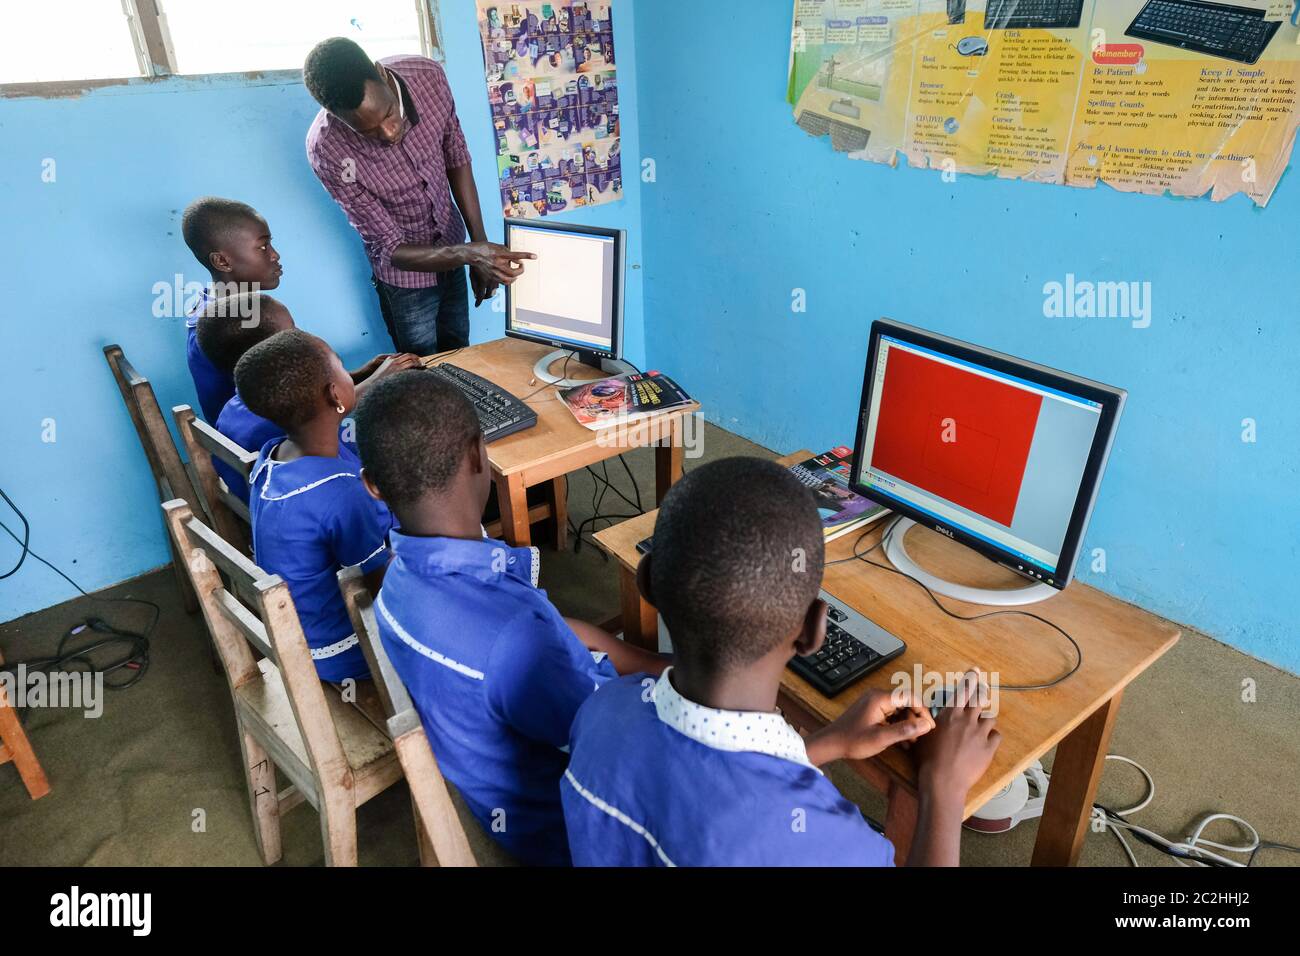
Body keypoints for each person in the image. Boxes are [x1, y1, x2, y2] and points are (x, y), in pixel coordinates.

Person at [561, 457, 1002, 866]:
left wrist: (829, 743)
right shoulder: (823, 842)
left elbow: (706, 783)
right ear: (813, 632)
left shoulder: (600, 710)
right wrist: (944, 790)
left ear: (649, 583)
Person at [353, 371, 667, 865]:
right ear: (480, 454)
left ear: (373, 484)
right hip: (566, 826)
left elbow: (554, 633)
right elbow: (612, 740)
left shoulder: (397, 579)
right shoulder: (516, 637)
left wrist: (648, 661)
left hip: (493, 789)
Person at [303, 37, 535, 355]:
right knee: (420, 368)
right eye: (367, 131)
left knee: (459, 354)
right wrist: (473, 253)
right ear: (336, 117)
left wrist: (480, 249)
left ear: (381, 74)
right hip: (404, 278)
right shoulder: (327, 150)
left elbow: (456, 154)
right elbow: (391, 248)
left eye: (388, 113)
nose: (388, 132)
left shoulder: (427, 76)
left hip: (454, 245)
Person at [235, 329, 397, 682]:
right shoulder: (343, 493)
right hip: (344, 649)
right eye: (340, 364)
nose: (346, 370)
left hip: (300, 633)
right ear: (335, 394)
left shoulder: (272, 456)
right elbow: (379, 586)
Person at [179, 197, 283, 421]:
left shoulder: (214, 303)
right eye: (263, 246)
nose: (275, 255)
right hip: (264, 445)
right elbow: (303, 404)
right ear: (222, 262)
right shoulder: (236, 327)